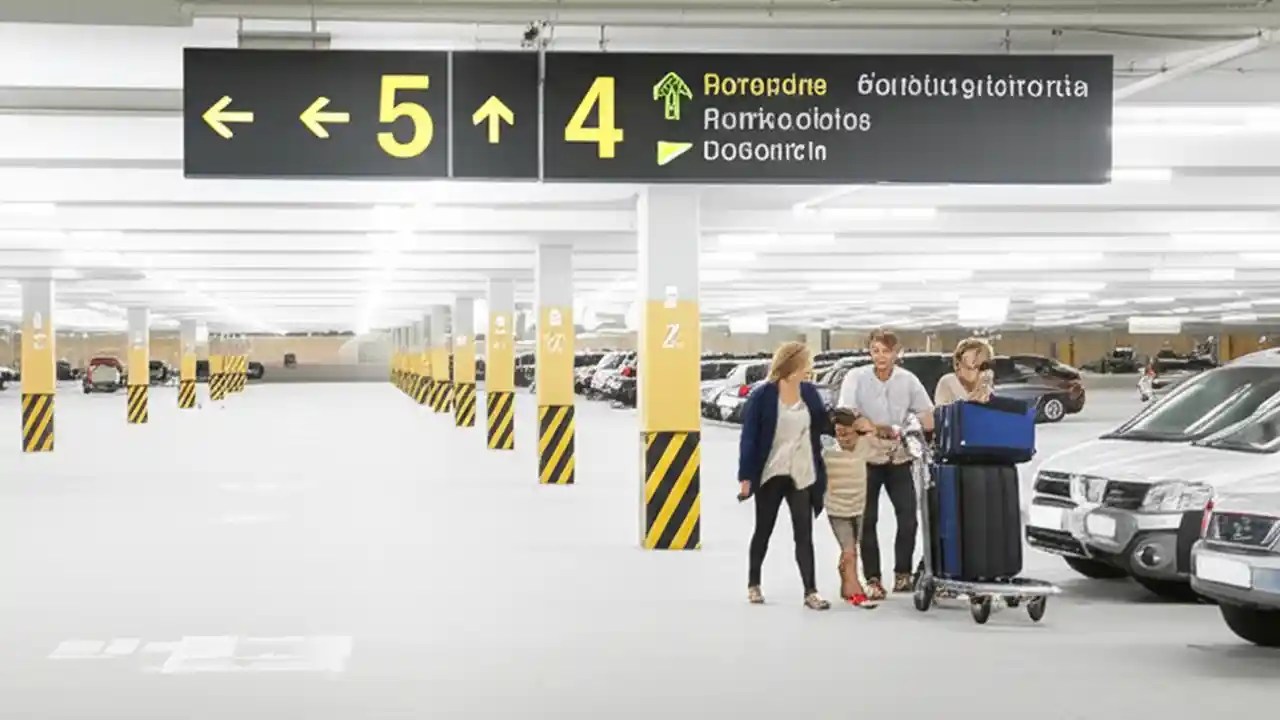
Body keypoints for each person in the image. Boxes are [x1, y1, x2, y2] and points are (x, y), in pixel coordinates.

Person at [836, 329, 934, 601]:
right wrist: (873, 427)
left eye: (886, 351)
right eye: (875, 351)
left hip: (897, 457)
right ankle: (873, 578)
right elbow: (846, 414)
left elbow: (926, 413)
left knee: (908, 516)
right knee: (867, 520)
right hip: (866, 458)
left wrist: (922, 433)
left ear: (896, 353)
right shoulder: (856, 377)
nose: (880, 356)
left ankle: (903, 574)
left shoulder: (908, 380)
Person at [738, 341, 832, 610]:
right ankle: (754, 584)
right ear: (792, 365)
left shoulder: (809, 393)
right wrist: (746, 477)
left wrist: (850, 423)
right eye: (805, 364)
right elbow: (749, 438)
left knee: (804, 533)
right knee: (763, 530)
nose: (809, 369)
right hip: (772, 471)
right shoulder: (763, 395)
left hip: (801, 471)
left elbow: (823, 423)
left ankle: (811, 592)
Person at [823, 408, 875, 607]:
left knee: (854, 548)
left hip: (859, 504)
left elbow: (888, 444)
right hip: (836, 507)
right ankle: (856, 591)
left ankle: (846, 585)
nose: (843, 437)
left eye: (847, 432)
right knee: (849, 550)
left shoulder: (866, 444)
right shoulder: (827, 448)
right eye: (839, 432)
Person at [935, 337, 995, 406]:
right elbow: (943, 410)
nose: (977, 371)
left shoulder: (986, 381)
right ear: (958, 365)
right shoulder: (948, 382)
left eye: (981, 367)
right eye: (972, 366)